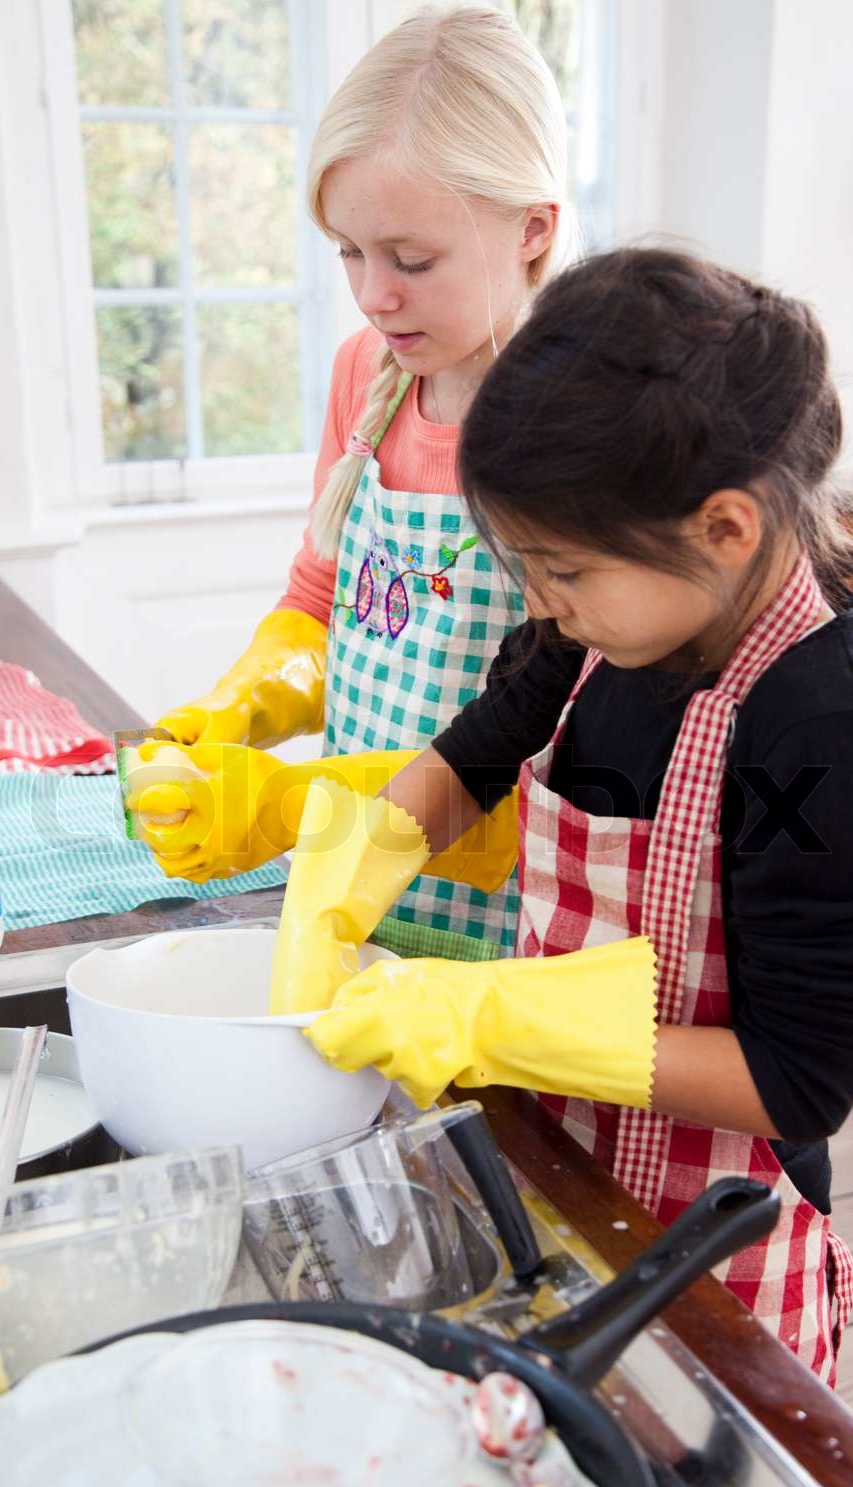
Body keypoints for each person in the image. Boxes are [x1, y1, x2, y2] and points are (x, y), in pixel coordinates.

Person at [303, 247, 853, 1384]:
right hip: (572, 1154)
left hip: (722, 1237)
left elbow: (798, 1078)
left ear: (724, 529)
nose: (539, 602)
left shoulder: (820, 730)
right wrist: (347, 871)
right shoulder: (596, 625)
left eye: (561, 572)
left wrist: (490, 1014)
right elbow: (476, 753)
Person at [144, 5, 570, 955]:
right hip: (358, 882)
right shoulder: (363, 374)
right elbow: (325, 594)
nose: (374, 293)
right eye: (348, 251)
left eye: (412, 260)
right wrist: (246, 702)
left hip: (507, 900)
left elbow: (557, 740)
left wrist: (294, 803)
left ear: (533, 229)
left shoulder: (569, 421)